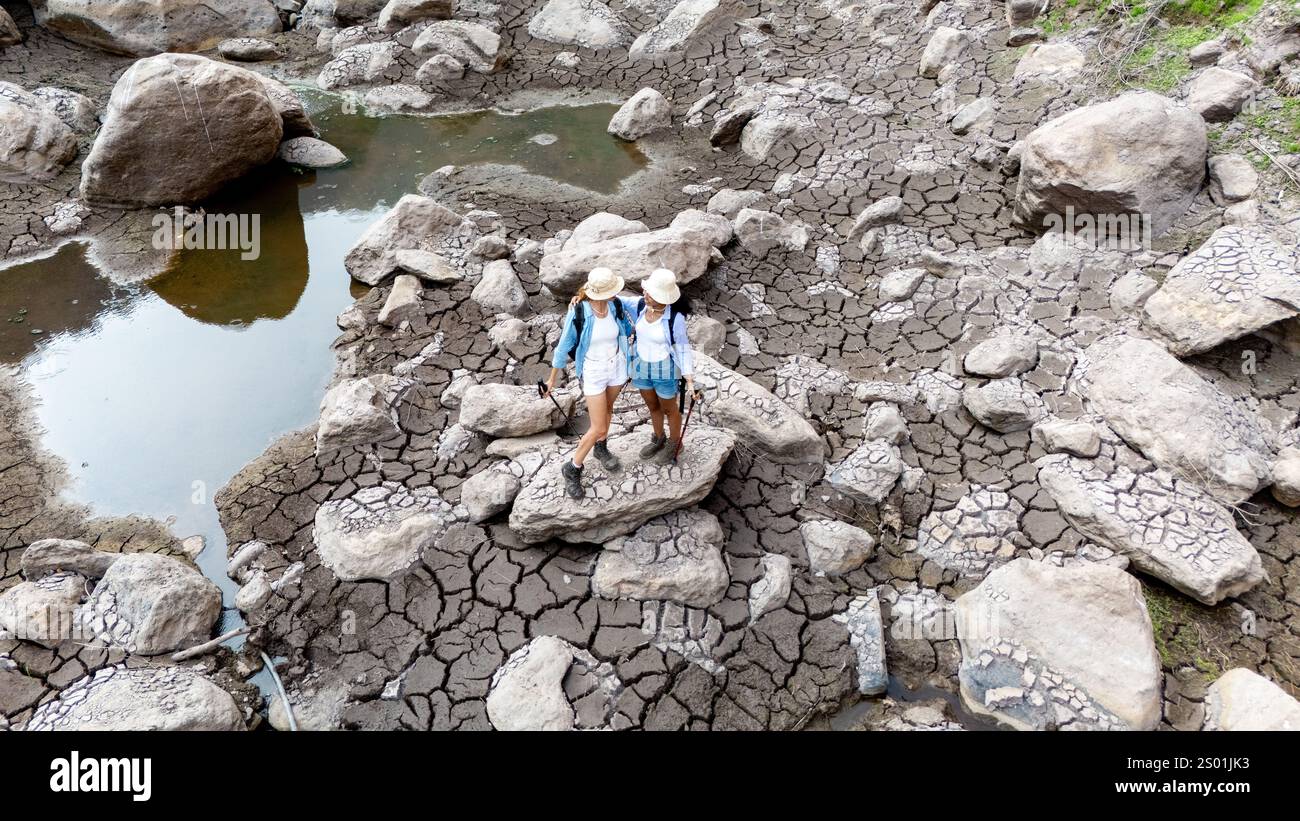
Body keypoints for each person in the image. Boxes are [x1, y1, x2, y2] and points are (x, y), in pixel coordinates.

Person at [542, 267, 635, 499]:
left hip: (617, 366)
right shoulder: (579, 311)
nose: (616, 293)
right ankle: (572, 468)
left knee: (609, 410)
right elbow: (564, 345)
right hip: (594, 371)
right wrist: (552, 378)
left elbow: (630, 323)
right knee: (599, 426)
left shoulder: (616, 305)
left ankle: (601, 449)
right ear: (600, 293)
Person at [623, 268, 698, 463]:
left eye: (652, 293)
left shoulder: (675, 318)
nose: (645, 294)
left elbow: (682, 349)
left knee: (670, 409)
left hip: (664, 369)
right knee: (652, 405)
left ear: (664, 299)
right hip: (640, 365)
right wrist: (586, 295)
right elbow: (615, 299)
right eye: (647, 290)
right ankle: (658, 438)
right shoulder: (640, 305)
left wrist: (689, 380)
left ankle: (675, 444)